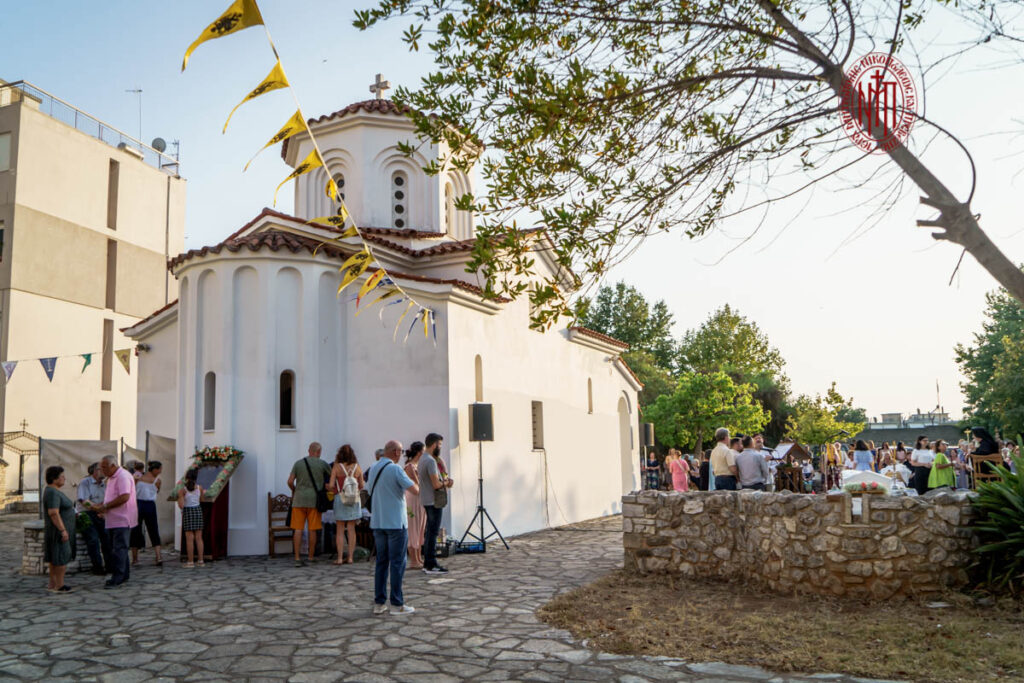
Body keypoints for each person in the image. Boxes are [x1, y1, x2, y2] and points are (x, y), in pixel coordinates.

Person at [366, 439, 419, 615]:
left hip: (378, 521)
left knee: (381, 562)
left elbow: (368, 489)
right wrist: (413, 476)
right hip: (396, 522)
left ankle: (379, 602)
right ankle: (397, 604)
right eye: (401, 452)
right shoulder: (396, 469)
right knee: (397, 563)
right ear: (396, 452)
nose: (401, 455)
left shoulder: (373, 467)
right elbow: (415, 490)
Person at [94, 454, 138, 588]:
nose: (102, 470)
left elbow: (124, 497)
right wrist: (102, 506)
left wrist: (106, 506)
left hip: (122, 518)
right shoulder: (112, 478)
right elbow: (112, 497)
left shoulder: (122, 476)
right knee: (119, 548)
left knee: (119, 548)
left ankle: (118, 577)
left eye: (104, 467)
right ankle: (123, 574)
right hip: (113, 518)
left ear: (113, 465)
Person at [287, 442, 332, 567]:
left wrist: (295, 490)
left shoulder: (298, 463)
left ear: (309, 451)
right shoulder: (322, 464)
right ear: (319, 452)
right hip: (314, 501)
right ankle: (311, 557)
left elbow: (290, 481)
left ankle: (297, 558)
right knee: (312, 529)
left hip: (298, 500)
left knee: (298, 529)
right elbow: (332, 478)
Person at [419, 433, 453, 574]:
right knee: (432, 533)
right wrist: (446, 483)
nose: (440, 447)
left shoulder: (422, 458)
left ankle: (427, 563)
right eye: (439, 445)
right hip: (433, 501)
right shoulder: (430, 461)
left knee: (429, 532)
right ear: (434, 445)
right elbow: (435, 484)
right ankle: (431, 564)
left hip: (426, 499)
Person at [328, 444, 363, 565]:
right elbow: (362, 485)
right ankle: (350, 557)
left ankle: (339, 558)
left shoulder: (337, 467)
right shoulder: (357, 467)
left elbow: (331, 485)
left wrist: (332, 488)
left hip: (340, 498)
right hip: (354, 499)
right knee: (351, 529)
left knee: (340, 529)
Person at [43, 466, 76, 593]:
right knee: (61, 556)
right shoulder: (52, 493)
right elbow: (53, 513)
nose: (64, 478)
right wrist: (63, 530)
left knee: (55, 558)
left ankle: (53, 584)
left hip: (57, 530)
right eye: (62, 476)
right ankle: (60, 585)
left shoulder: (53, 491)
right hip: (58, 531)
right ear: (54, 478)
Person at [77, 462, 111, 576]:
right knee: (93, 539)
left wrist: (103, 510)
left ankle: (109, 565)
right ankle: (97, 567)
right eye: (102, 469)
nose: (104, 472)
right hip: (86, 513)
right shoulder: (85, 482)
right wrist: (98, 509)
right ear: (95, 471)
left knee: (106, 537)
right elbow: (84, 501)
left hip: (99, 513)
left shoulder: (104, 484)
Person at [130, 461, 163, 567]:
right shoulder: (157, 481)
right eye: (159, 469)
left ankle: (135, 558)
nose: (160, 472)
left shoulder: (138, 478)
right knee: (153, 529)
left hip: (138, 504)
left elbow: (132, 490)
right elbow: (157, 491)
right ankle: (158, 556)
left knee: (135, 530)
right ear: (155, 469)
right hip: (150, 505)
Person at [403, 442, 427, 569]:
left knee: (420, 528)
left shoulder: (418, 465)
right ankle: (413, 560)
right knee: (413, 528)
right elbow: (418, 483)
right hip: (413, 498)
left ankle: (418, 557)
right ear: (419, 452)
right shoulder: (410, 467)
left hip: (420, 498)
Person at [178, 468, 205, 568]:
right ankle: (201, 561)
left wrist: (179, 499)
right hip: (197, 511)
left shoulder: (183, 490)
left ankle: (190, 562)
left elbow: (181, 505)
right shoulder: (199, 488)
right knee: (199, 537)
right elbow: (202, 500)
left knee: (189, 538)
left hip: (188, 512)